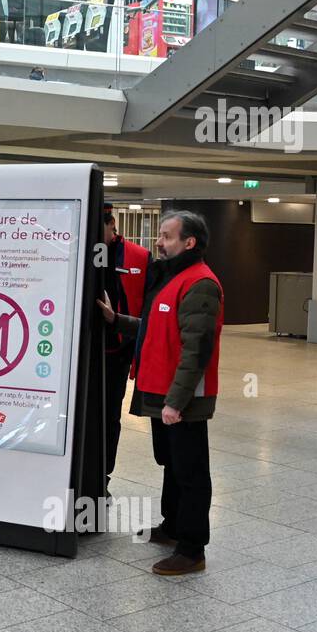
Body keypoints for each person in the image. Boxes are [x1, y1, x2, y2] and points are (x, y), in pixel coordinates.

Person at [96, 210, 223, 576]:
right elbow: (156, 329)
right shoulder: (172, 279)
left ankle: (192, 548)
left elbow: (196, 351)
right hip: (163, 395)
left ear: (189, 242)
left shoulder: (200, 284)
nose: (159, 242)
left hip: (182, 401)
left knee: (191, 471)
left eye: (167, 236)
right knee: (171, 464)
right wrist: (116, 320)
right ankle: (172, 526)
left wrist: (176, 402)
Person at [101, 211, 150, 495]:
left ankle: (103, 476)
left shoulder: (139, 257)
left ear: (112, 225)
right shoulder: (73, 249)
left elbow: (148, 308)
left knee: (109, 416)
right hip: (78, 354)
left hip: (117, 351)